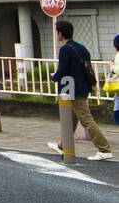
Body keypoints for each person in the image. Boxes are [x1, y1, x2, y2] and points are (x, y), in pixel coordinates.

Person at [48, 19, 112, 161]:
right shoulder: (81, 47)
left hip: (72, 89)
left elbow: (63, 70)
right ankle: (63, 145)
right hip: (83, 87)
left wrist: (54, 76)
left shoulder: (65, 49)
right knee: (71, 119)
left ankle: (104, 149)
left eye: (56, 32)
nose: (56, 35)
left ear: (60, 33)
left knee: (86, 119)